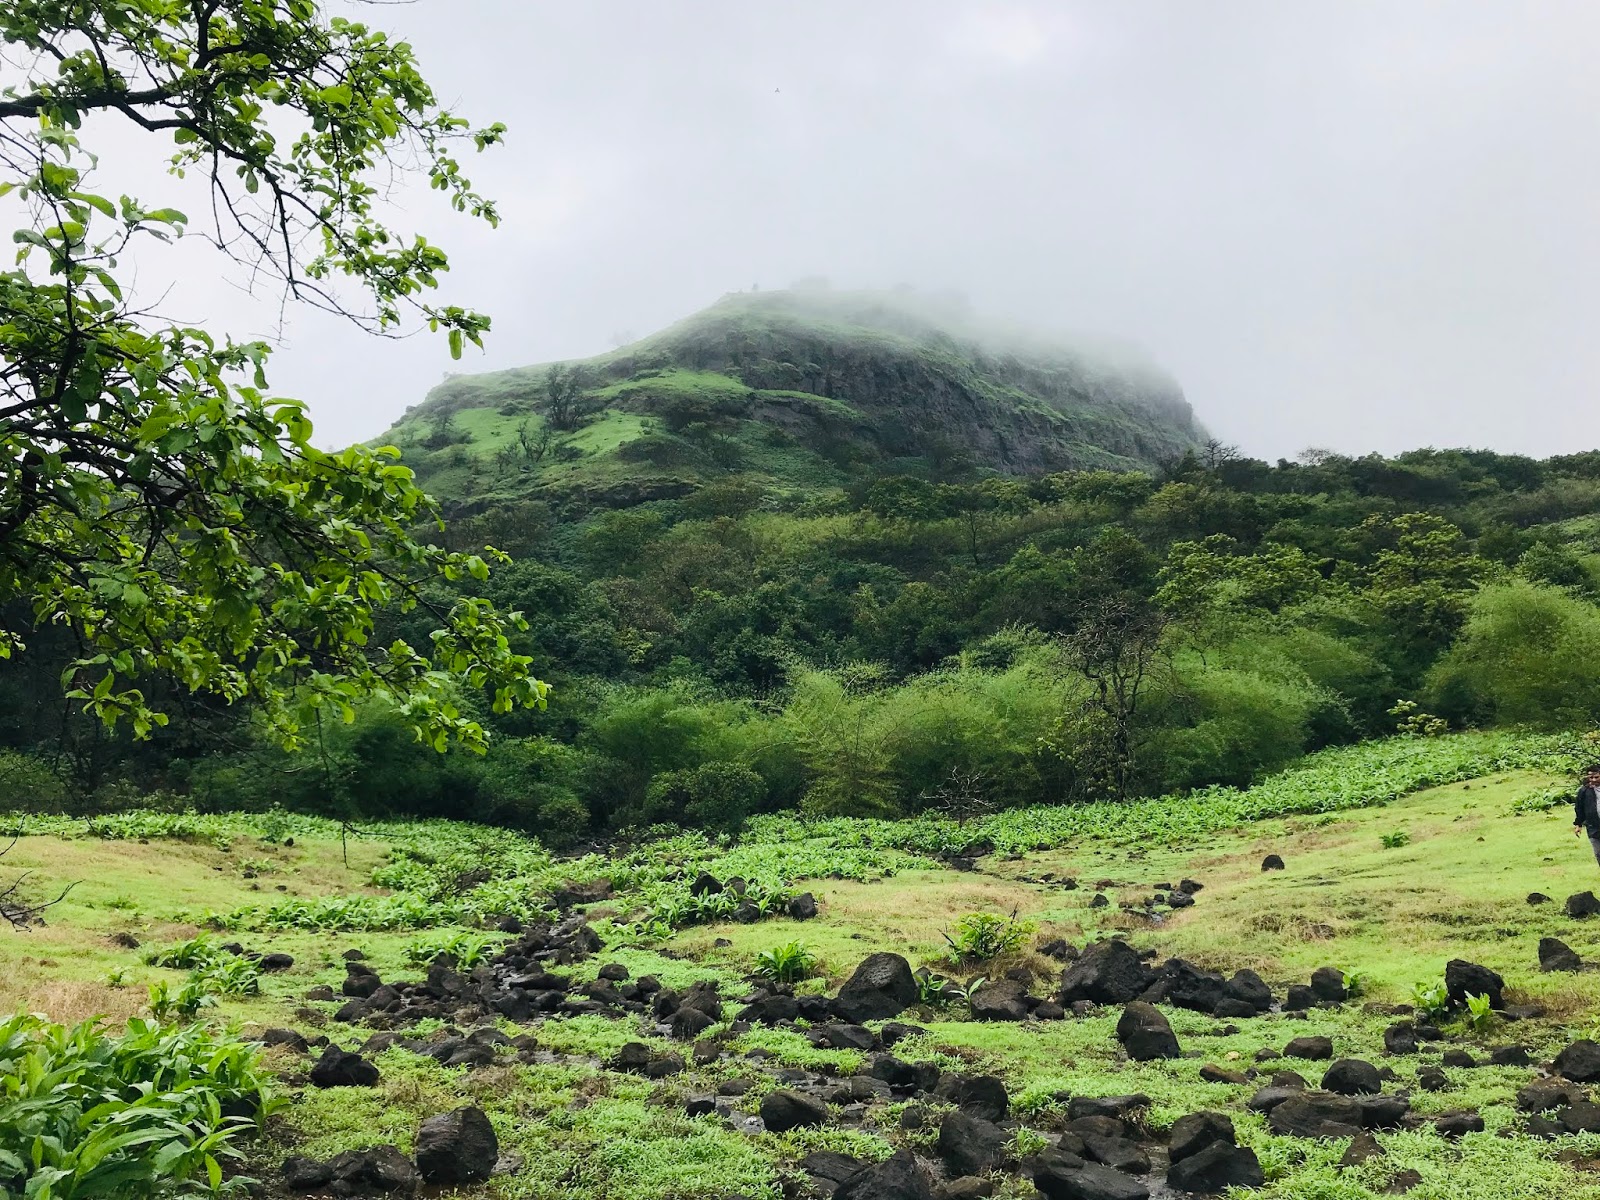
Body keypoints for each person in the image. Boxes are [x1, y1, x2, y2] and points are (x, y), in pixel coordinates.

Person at [1574, 765, 1600, 866]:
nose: (1593, 780)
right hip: (1593, 827)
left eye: (1596, 777)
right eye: (1591, 777)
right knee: (1598, 853)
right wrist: (1578, 824)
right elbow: (1579, 808)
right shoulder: (1584, 791)